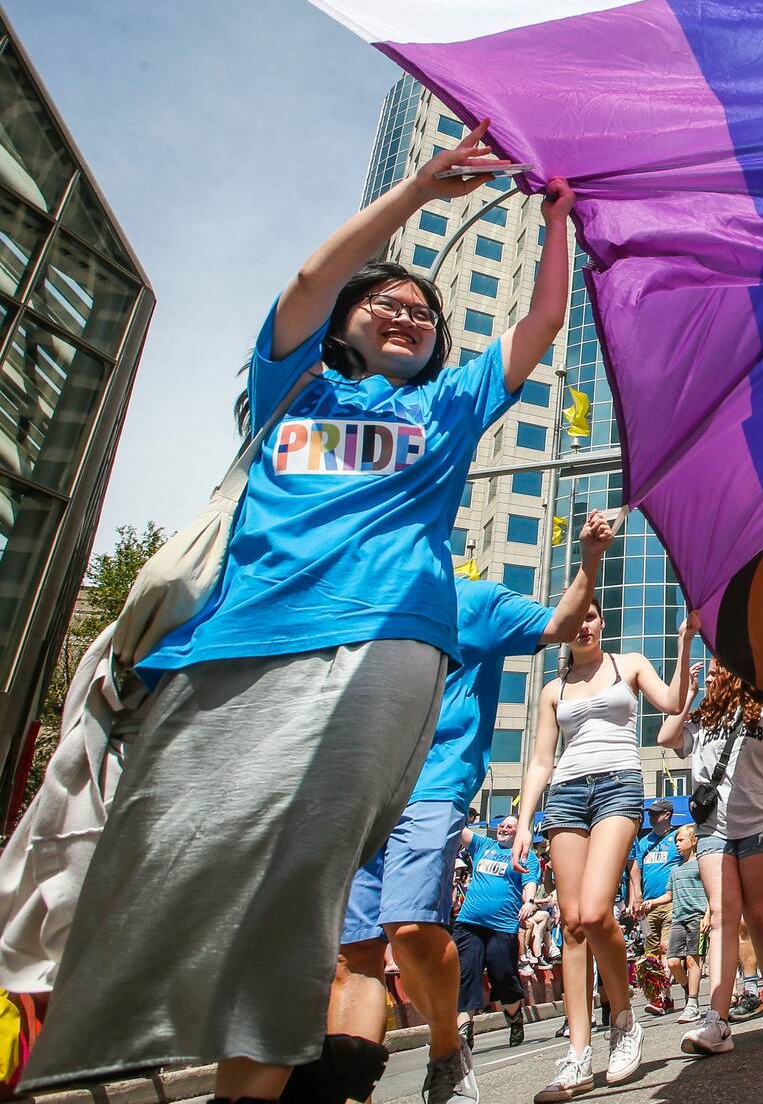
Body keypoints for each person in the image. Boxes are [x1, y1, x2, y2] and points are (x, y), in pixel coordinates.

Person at [24, 131, 570, 1099]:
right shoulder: (293, 388)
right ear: (345, 323)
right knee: (169, 868)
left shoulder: (445, 409)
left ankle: (261, 1086)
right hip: (224, 653)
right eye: (385, 301)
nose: (405, 312)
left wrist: (560, 221)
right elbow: (312, 277)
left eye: (421, 311)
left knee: (298, 889)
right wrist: (417, 190)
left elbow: (536, 326)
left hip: (382, 650)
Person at [314, 509, 612, 1103]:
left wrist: (590, 561)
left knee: (408, 928)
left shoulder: (475, 602)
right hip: (358, 787)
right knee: (355, 955)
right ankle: (351, 1094)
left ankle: (447, 1047)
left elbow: (558, 624)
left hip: (434, 785)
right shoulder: (362, 609)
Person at [512, 603, 688, 1098]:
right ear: (565, 630)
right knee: (570, 924)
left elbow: (673, 703)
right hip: (566, 794)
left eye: (591, 616)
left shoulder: (627, 665)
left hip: (618, 786)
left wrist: (684, 642)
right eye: (575, 620)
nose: (583, 625)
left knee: (594, 913)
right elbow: (542, 760)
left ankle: (625, 1018)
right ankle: (577, 1055)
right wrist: (525, 820)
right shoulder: (553, 690)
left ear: (601, 623)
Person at [660, 655, 763, 1055]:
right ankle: (716, 1020)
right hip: (713, 830)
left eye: (715, 667)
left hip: (761, 825)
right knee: (723, 916)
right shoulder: (702, 717)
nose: (708, 672)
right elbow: (666, 737)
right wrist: (687, 695)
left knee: (759, 914)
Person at [448, 819, 539, 1055]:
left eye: (511, 826)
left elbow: (530, 882)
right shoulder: (482, 845)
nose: (504, 828)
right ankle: (464, 1031)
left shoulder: (525, 855)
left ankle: (514, 1015)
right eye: (502, 825)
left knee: (503, 976)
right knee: (466, 974)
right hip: (470, 923)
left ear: (519, 833)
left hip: (503, 926)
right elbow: (458, 828)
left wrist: (529, 902)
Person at [626, 802, 682, 1012]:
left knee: (666, 948)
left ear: (667, 815)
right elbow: (635, 873)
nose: (652, 817)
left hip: (669, 902)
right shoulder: (643, 842)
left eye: (656, 814)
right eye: (650, 813)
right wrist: (635, 899)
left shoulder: (675, 839)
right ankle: (661, 997)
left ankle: (663, 995)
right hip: (647, 905)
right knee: (650, 952)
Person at [666, 824, 708, 1024]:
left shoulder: (701, 863)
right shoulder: (675, 869)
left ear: (694, 841)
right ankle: (686, 987)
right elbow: (669, 895)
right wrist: (649, 903)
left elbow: (711, 891)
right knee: (673, 962)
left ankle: (692, 1003)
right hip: (678, 918)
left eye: (681, 840)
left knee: (693, 960)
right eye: (675, 841)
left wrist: (708, 914)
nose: (677, 844)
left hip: (696, 917)